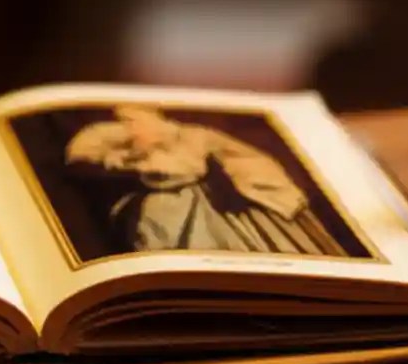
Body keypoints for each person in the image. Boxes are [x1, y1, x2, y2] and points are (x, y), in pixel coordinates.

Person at [65, 105, 345, 256]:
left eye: (133, 121)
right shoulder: (130, 149)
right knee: (155, 218)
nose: (130, 128)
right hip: (167, 200)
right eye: (126, 123)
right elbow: (82, 152)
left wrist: (233, 180)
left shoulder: (196, 136)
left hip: (216, 202)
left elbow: (248, 159)